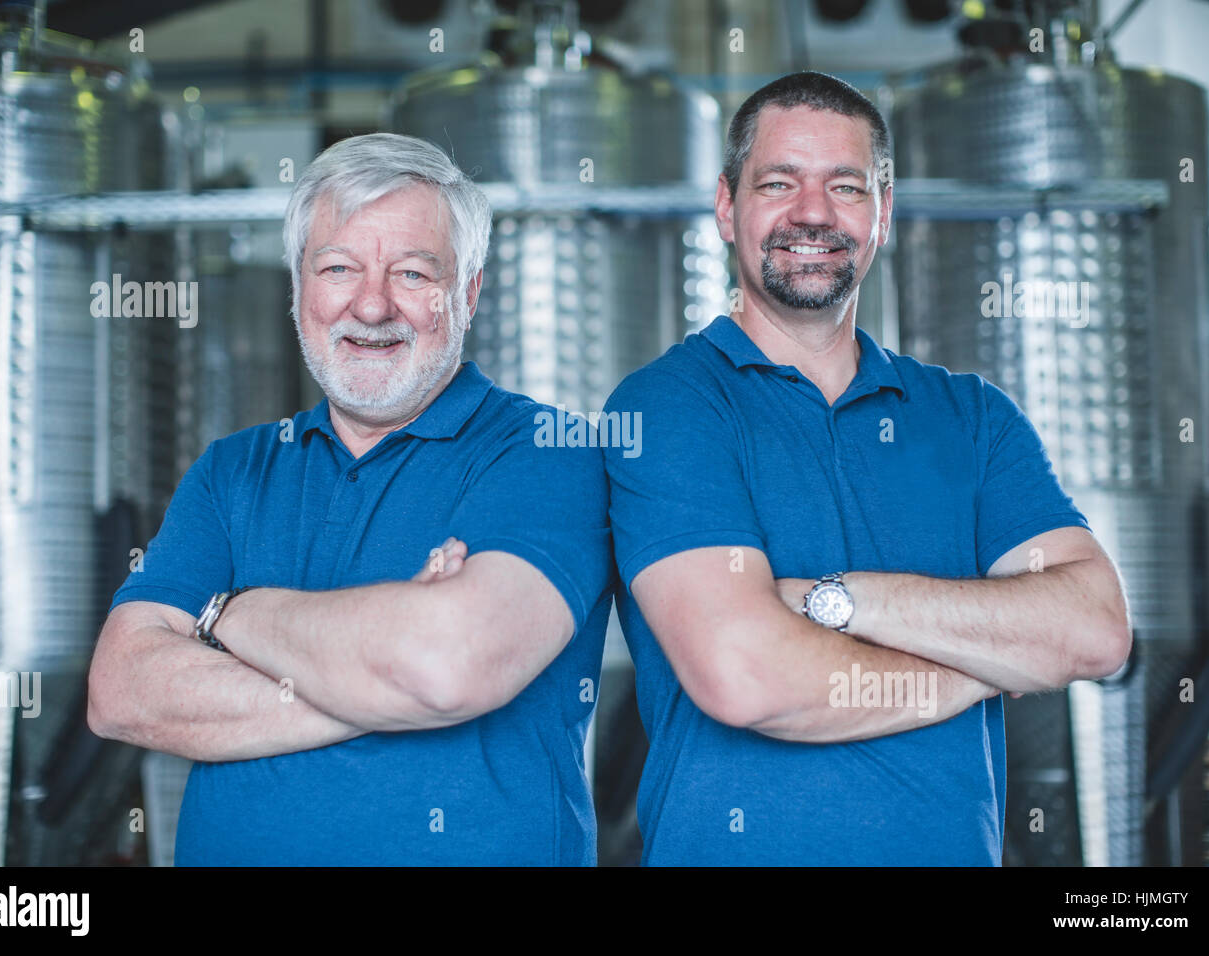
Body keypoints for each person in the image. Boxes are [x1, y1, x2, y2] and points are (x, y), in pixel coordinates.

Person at [600, 71, 1131, 865]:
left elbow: (1094, 631)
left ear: (882, 213)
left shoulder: (972, 417)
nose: (812, 213)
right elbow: (743, 675)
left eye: (845, 187)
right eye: (779, 183)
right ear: (725, 206)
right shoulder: (667, 408)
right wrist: (981, 667)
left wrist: (836, 602)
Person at [88, 133, 614, 866]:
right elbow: (121, 691)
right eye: (338, 268)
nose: (371, 305)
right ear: (299, 288)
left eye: (411, 272)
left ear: (466, 292)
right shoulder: (234, 471)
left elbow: (444, 666)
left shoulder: (548, 453)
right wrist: (382, 674)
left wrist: (229, 613)